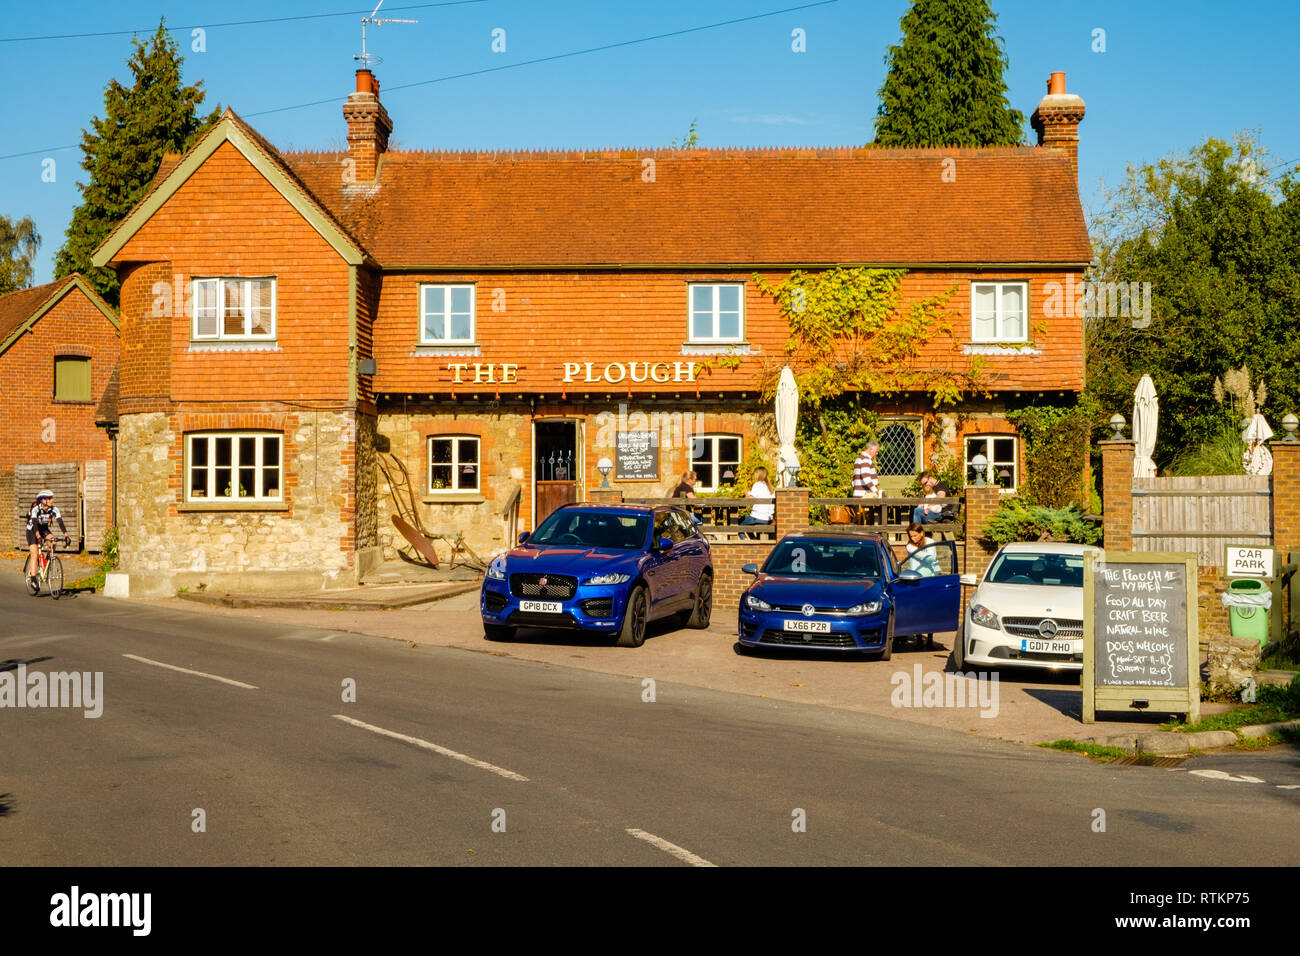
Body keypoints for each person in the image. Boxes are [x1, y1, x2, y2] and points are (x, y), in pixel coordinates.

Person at [26, 490, 68, 588]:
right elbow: (35, 525)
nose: (52, 500)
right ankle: (33, 579)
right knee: (34, 553)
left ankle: (47, 562)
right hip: (32, 530)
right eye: (49, 498)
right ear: (43, 500)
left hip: (44, 529)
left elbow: (60, 522)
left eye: (51, 498)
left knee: (53, 542)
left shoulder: (54, 509)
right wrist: (38, 536)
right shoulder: (36, 509)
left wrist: (66, 535)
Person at [740, 467, 775, 537]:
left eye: (755, 474)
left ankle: (746, 540)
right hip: (768, 518)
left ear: (758, 475)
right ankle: (753, 540)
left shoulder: (758, 484)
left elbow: (750, 499)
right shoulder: (770, 487)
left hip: (757, 517)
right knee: (746, 524)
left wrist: (745, 493)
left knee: (738, 523)